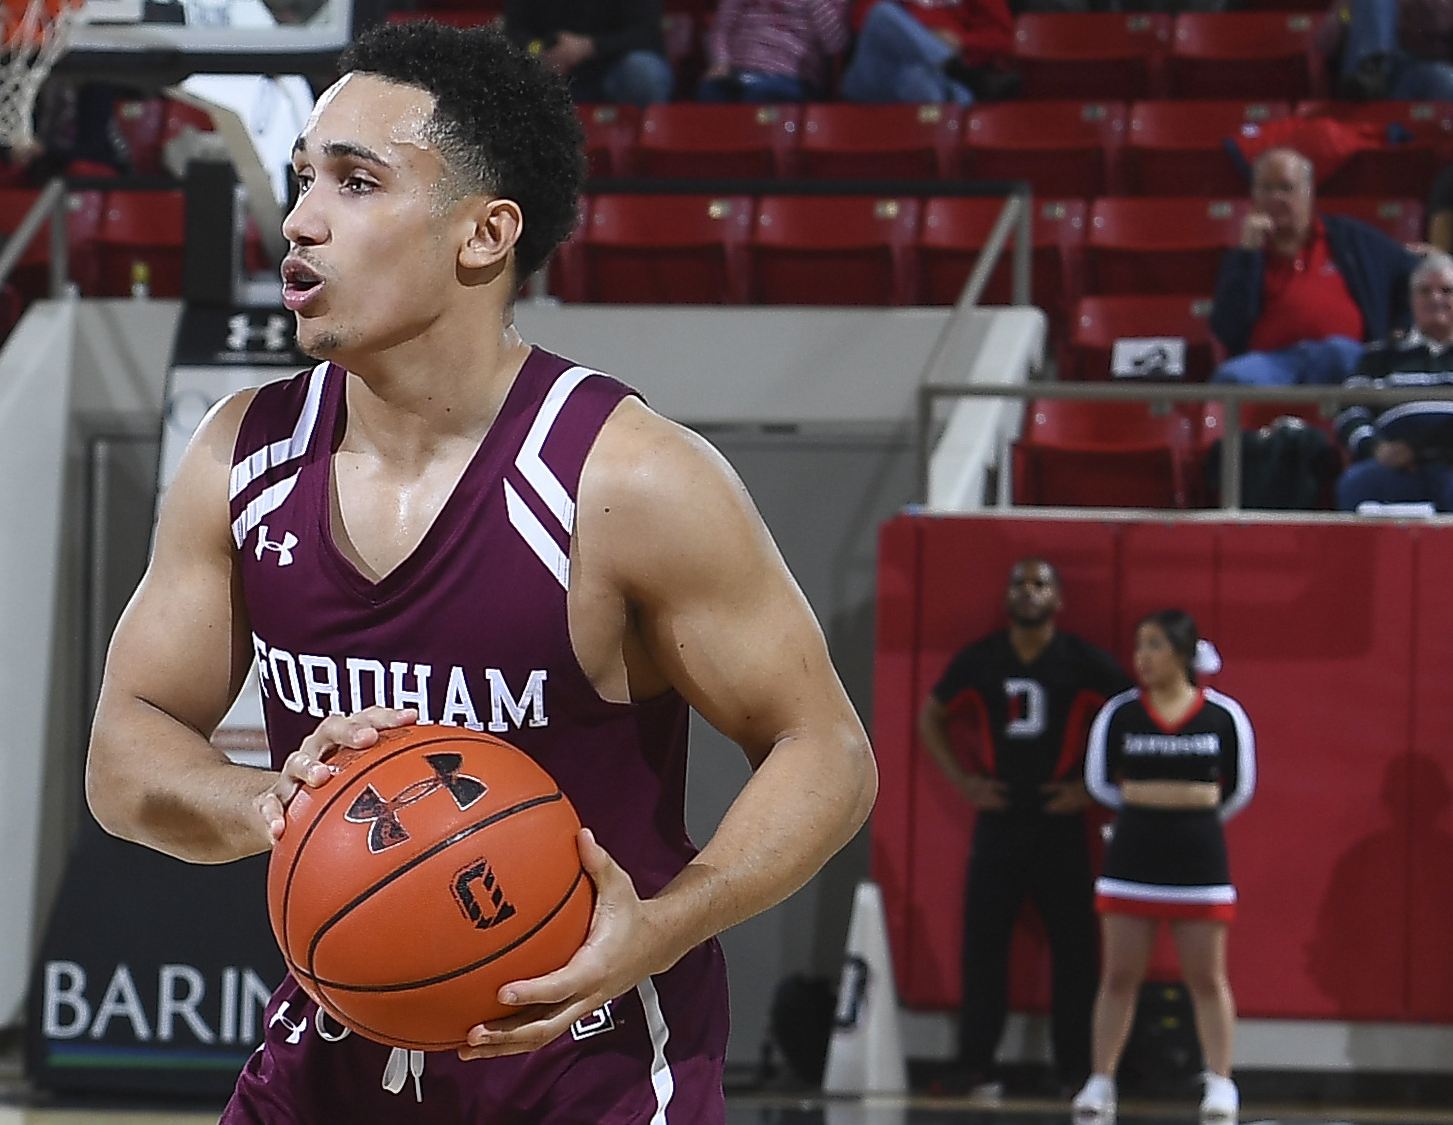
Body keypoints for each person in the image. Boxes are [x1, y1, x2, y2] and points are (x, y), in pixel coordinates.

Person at [84, 22, 877, 1124]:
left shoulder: (627, 478)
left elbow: (825, 750)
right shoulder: (240, 455)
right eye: (305, 176)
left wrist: (668, 920)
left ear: (482, 234)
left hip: (582, 1061)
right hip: (333, 1049)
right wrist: (269, 802)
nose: (302, 219)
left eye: (357, 183)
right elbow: (125, 757)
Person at [917, 559, 1132, 1095]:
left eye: (1040, 585)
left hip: (1060, 822)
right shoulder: (984, 658)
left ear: (1058, 600)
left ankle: (1075, 1069)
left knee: (1075, 950)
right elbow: (931, 716)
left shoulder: (1081, 659)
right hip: (1000, 819)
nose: (1028, 592)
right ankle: (975, 1062)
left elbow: (1132, 715)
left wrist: (1092, 788)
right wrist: (965, 782)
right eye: (1019, 583)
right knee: (984, 945)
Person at [1073, 610, 1254, 1125]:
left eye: (1153, 646)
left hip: (1200, 864)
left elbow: (1235, 791)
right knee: (1118, 975)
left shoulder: (1223, 716)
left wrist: (1166, 796)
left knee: (1207, 977)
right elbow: (1102, 784)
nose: (1142, 658)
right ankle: (1101, 1080)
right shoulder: (1120, 714)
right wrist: (1181, 796)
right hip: (1131, 859)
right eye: (1139, 647)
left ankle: (1220, 1081)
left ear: (1182, 653)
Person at [1212, 147, 1418, 387]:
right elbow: (1227, 328)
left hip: (1341, 355)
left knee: (1342, 354)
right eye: (1266, 189)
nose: (1275, 198)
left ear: (1308, 192)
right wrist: (1248, 256)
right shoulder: (1245, 257)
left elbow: (1415, 272)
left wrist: (1402, 326)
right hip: (1273, 364)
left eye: (1286, 188)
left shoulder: (1350, 238)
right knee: (1231, 378)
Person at [1333, 252, 1453, 511]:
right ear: (1411, 300)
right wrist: (1377, 450)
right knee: (1355, 485)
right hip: (1392, 467)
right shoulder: (1378, 356)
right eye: (1425, 291)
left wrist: (1418, 448)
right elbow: (1349, 413)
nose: (1436, 299)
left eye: (1446, 290)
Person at [840, 0, 1019, 105]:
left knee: (921, 80)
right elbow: (863, 22)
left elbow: (1002, 38)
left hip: (933, 84)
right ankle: (957, 72)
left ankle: (945, 109)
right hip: (882, 76)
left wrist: (960, 41)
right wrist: (920, 35)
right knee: (881, 12)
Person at [503, 0, 676, 107]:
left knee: (644, 71)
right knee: (503, 68)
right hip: (551, 68)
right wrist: (540, 51)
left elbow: (647, 33)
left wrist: (589, 47)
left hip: (614, 67)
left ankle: (644, 155)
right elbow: (514, 29)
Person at [700, 0, 852, 103]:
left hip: (792, 78)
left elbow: (835, 45)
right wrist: (721, 61)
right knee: (710, 90)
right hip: (739, 71)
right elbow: (720, 30)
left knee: (761, 94)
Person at [1321, 0, 1453, 101]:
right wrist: (1342, 16)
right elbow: (1338, 25)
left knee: (1447, 81)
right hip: (1359, 75)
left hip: (1416, 66)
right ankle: (1370, 71)